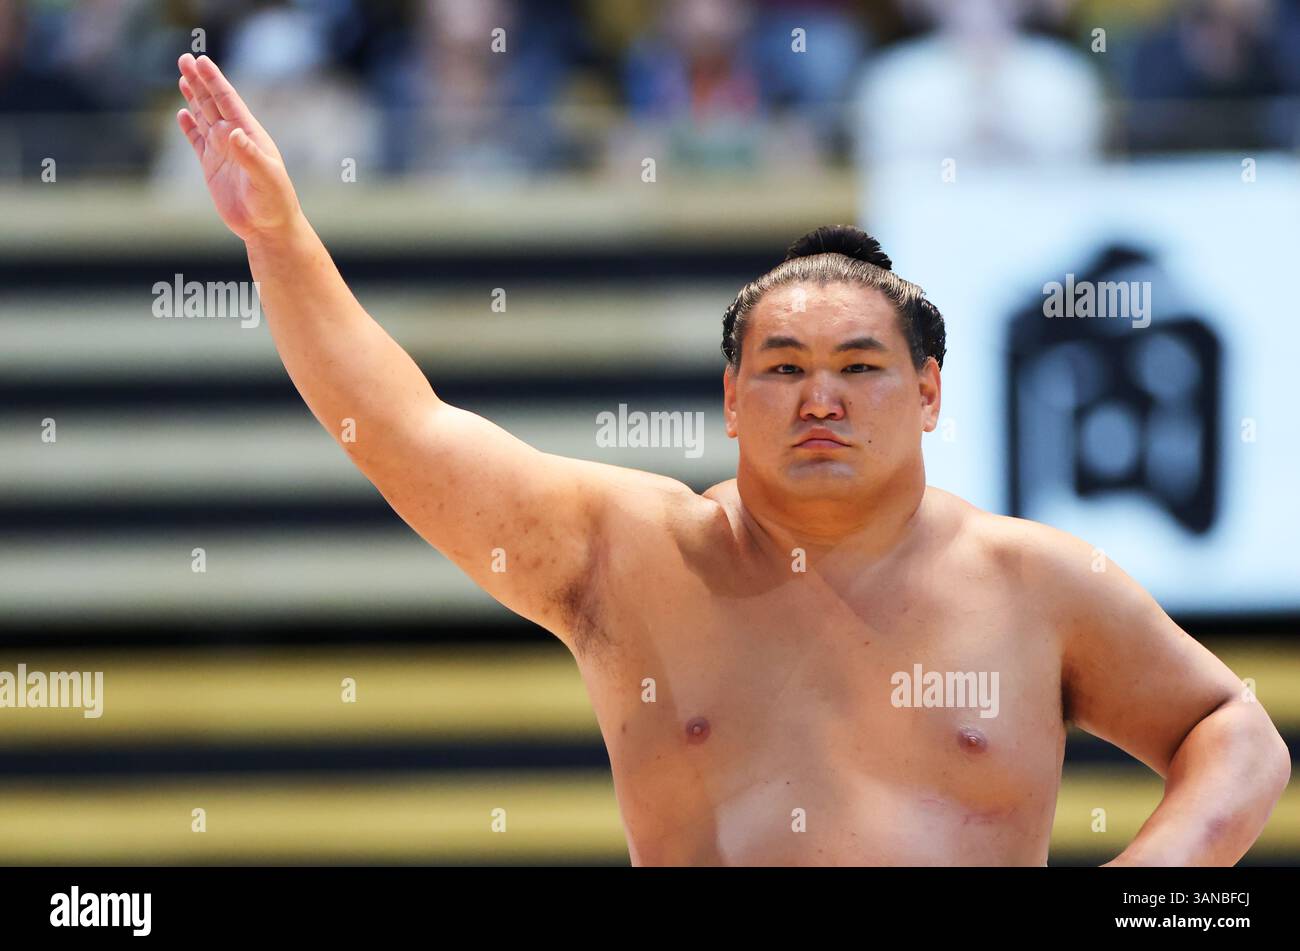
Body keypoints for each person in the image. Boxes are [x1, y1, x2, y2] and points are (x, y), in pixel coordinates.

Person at [174, 52, 1289, 866]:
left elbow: (1234, 732)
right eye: (783, 366)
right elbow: (406, 430)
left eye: (859, 367)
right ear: (729, 398)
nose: (820, 398)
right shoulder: (630, 553)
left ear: (930, 392)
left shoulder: (1037, 582)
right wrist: (279, 240)